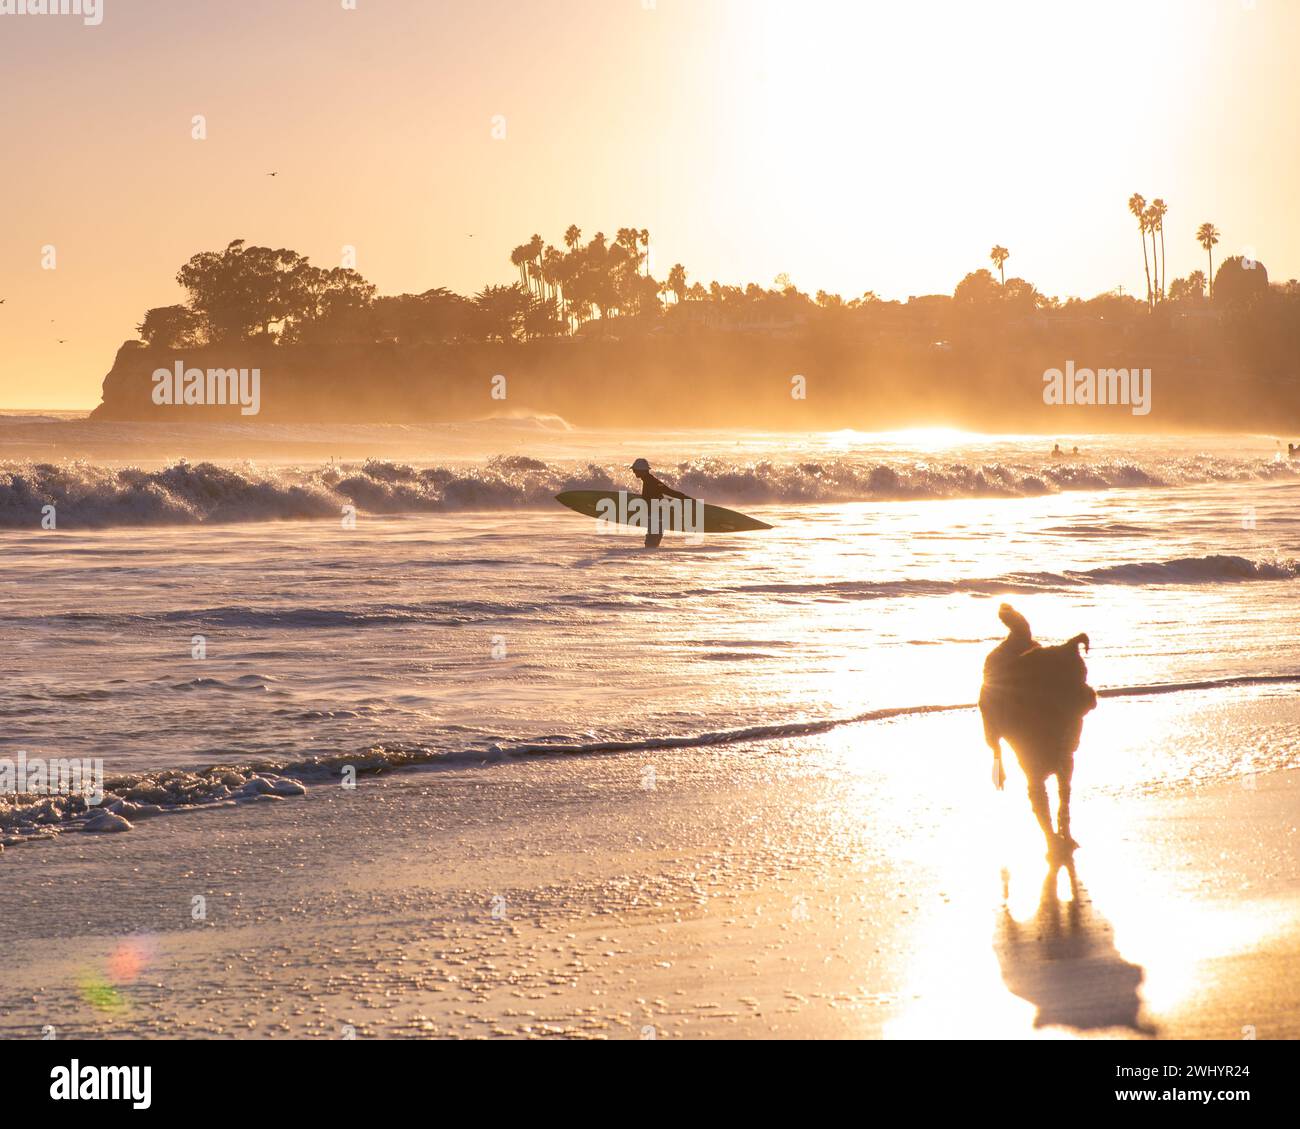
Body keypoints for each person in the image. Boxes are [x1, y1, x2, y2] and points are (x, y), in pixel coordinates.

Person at [631, 458, 688, 548]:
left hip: (657, 518)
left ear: (642, 471)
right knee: (650, 545)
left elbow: (669, 492)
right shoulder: (647, 481)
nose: (634, 472)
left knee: (651, 545)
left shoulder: (652, 482)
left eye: (635, 470)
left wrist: (687, 499)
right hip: (654, 518)